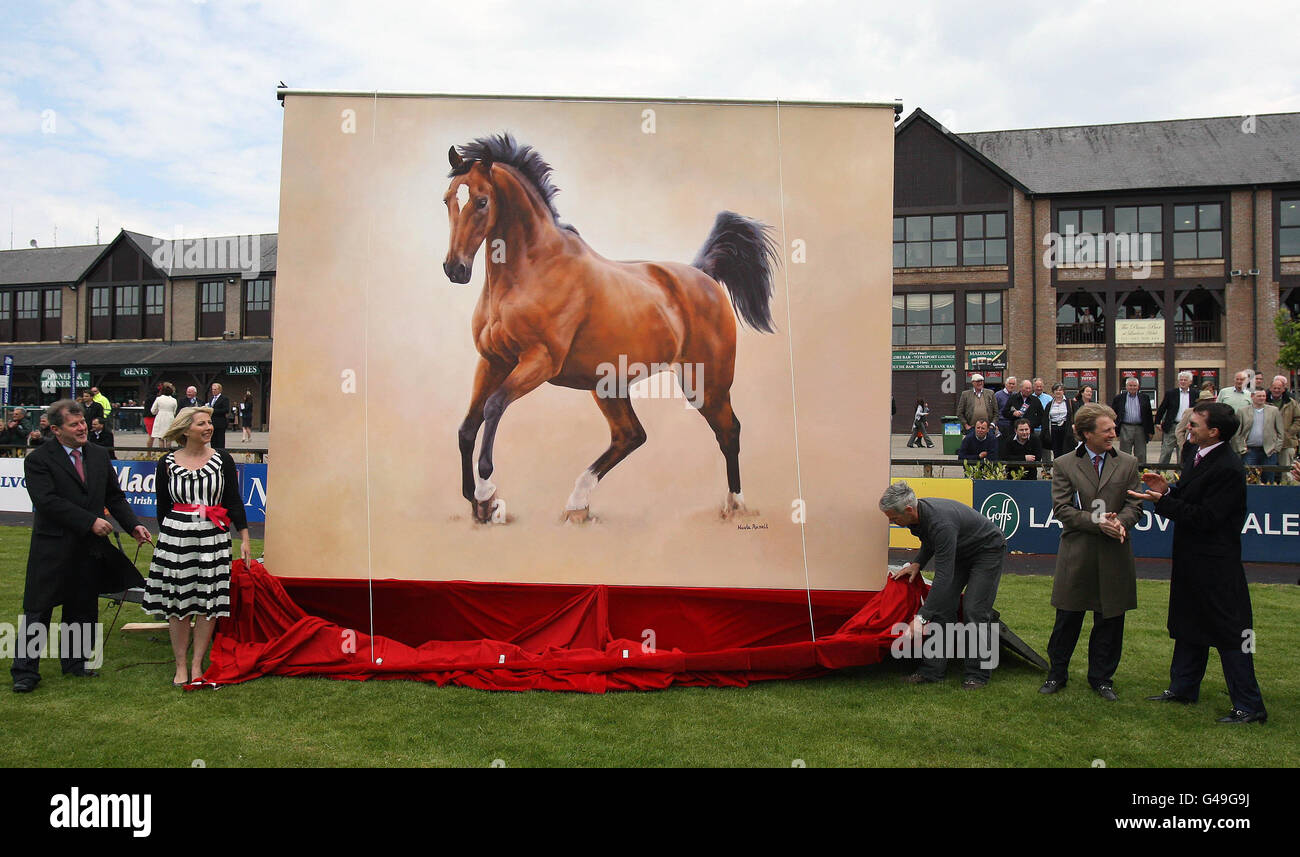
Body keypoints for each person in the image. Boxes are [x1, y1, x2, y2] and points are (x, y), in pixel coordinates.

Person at [1129, 402, 1267, 724]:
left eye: (1193, 424)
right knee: (1189, 623)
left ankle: (1249, 705)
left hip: (1216, 565)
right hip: (1192, 559)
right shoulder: (1198, 455)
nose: (1187, 427)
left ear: (1213, 431)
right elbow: (1193, 498)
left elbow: (1207, 517)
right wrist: (1169, 491)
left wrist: (1165, 502)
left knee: (1232, 633)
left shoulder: (1229, 468)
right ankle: (1183, 688)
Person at [10, 400, 152, 693]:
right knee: (39, 609)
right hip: (53, 547)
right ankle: (25, 671)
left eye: (83, 423)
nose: (82, 428)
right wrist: (89, 521)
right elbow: (47, 501)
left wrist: (133, 526)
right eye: (74, 425)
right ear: (56, 430)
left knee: (83, 607)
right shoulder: (39, 459)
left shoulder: (99, 455)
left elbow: (114, 497)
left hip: (89, 549)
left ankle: (75, 664)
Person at [1040, 403, 1143, 701]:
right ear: (1086, 434)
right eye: (1107, 429)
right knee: (1067, 619)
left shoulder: (1128, 463)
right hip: (1078, 552)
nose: (1113, 433)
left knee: (1110, 619)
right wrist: (1099, 524)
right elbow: (1062, 509)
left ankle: (1102, 679)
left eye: (1113, 427)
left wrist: (1120, 523)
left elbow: (1135, 504)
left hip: (1115, 554)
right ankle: (1056, 673)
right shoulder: (1064, 464)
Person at [143, 407, 251, 688]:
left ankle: (197, 662)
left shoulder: (223, 460)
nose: (209, 427)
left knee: (208, 601)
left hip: (213, 536)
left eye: (209, 422)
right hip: (176, 537)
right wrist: (167, 538)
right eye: (202, 423)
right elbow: (162, 506)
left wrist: (245, 537)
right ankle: (180, 664)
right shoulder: (166, 463)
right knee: (178, 602)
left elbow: (234, 500)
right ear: (185, 430)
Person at [880, 481, 1005, 689]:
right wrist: (917, 563)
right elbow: (931, 541)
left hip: (987, 552)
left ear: (909, 509)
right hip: (961, 550)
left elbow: (944, 577)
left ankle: (978, 675)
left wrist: (921, 617)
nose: (892, 522)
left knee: (974, 609)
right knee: (943, 606)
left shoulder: (941, 522)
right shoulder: (918, 517)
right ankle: (931, 672)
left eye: (894, 518)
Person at [1232, 388, 1282, 483]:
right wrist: (1241, 448)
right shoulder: (1242, 411)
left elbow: (1280, 432)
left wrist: (1276, 448)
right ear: (1252, 397)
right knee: (1249, 480)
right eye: (1259, 396)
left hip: (1269, 451)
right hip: (1249, 451)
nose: (1262, 398)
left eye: (1263, 396)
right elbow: (1237, 433)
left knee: (1268, 480)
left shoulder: (1274, 411)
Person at [1154, 371, 1196, 466]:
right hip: (1172, 426)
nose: (1183, 382)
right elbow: (1162, 408)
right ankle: (1160, 472)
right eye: (1181, 380)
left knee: (1182, 451)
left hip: (1187, 427)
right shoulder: (1171, 393)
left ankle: (1179, 474)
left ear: (1190, 382)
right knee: (1166, 451)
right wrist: (1157, 421)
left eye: (1185, 380)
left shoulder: (1195, 394)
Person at [1111, 376, 1153, 462]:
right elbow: (1113, 413)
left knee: (1141, 453)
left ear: (1138, 387)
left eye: (1134, 386)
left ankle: (1141, 472)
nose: (1132, 387)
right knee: (1125, 452)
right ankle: (1125, 472)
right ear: (1126, 387)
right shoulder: (1119, 398)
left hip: (1140, 428)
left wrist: (1151, 431)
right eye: (1130, 385)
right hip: (1125, 427)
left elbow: (1149, 415)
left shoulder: (1145, 398)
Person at [1267, 375, 1299, 482]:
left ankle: (1287, 492)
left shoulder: (1291, 403)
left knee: (1286, 472)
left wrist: (1289, 433)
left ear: (1284, 389)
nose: (1276, 390)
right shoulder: (1263, 401)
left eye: (1279, 388)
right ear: (1270, 388)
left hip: (1287, 442)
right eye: (1274, 388)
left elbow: (1298, 419)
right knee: (1269, 471)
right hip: (1268, 443)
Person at [1045, 383, 1076, 457]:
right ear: (1053, 392)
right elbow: (1045, 418)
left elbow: (1076, 415)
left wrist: (1074, 425)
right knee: (1056, 451)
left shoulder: (1070, 403)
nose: (1058, 392)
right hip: (1054, 430)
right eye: (1056, 390)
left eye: (1060, 390)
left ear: (1063, 391)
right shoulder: (1049, 404)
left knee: (1067, 450)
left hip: (1066, 428)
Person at [151, 382, 178, 448]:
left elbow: (153, 411)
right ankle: (168, 454)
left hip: (160, 418)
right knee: (169, 439)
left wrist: (158, 412)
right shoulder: (174, 400)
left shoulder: (159, 399)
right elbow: (174, 411)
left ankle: (161, 454)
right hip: (170, 418)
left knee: (161, 438)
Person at [207, 383, 232, 449]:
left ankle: (221, 454)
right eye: (212, 389)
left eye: (215, 389)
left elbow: (226, 410)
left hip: (220, 423)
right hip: (212, 423)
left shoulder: (224, 399)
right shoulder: (211, 399)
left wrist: (213, 410)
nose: (213, 391)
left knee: (220, 441)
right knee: (213, 441)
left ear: (219, 390)